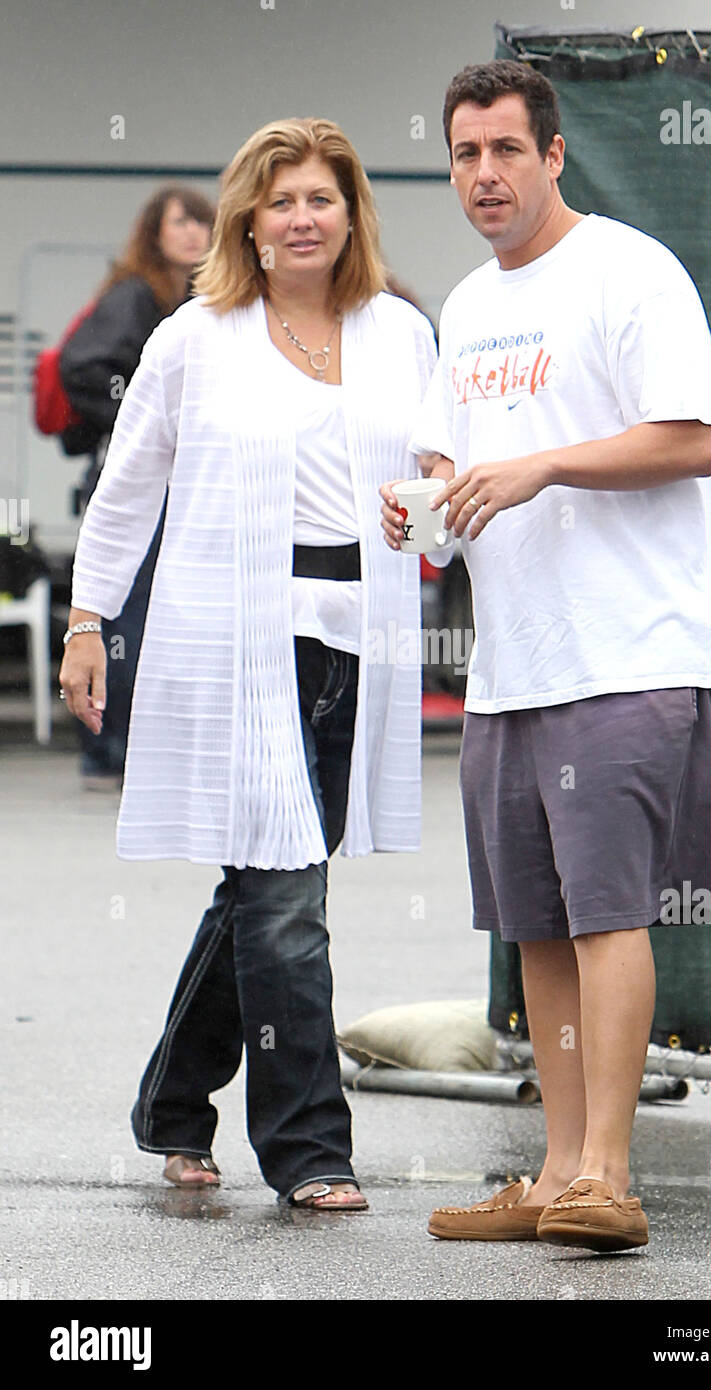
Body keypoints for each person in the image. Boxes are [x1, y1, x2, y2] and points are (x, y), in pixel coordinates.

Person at [382, 60, 711, 1251]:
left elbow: (692, 440)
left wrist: (541, 465)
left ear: (554, 154)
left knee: (606, 918)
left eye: (504, 149)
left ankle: (610, 1175)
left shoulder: (630, 268)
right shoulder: (469, 303)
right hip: (512, 665)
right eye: (462, 155)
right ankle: (552, 1174)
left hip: (628, 649)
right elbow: (454, 472)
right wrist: (422, 505)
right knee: (537, 930)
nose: (482, 174)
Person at [60, 118, 437, 1210]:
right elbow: (126, 487)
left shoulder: (400, 334)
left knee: (262, 885)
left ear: (352, 212)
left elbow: (443, 483)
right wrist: (88, 622)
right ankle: (309, 1145)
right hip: (236, 640)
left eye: (321, 197)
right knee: (286, 901)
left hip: (354, 641)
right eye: (281, 202)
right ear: (248, 222)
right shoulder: (196, 337)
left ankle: (173, 1102)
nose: (302, 217)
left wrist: (435, 521)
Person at [60, 185, 214, 789]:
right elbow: (81, 366)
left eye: (203, 224)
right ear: (155, 231)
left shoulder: (187, 299)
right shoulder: (136, 295)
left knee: (148, 615)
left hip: (171, 488)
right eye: (181, 223)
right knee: (122, 615)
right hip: (135, 485)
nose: (194, 235)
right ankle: (107, 742)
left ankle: (128, 738)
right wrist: (139, 416)